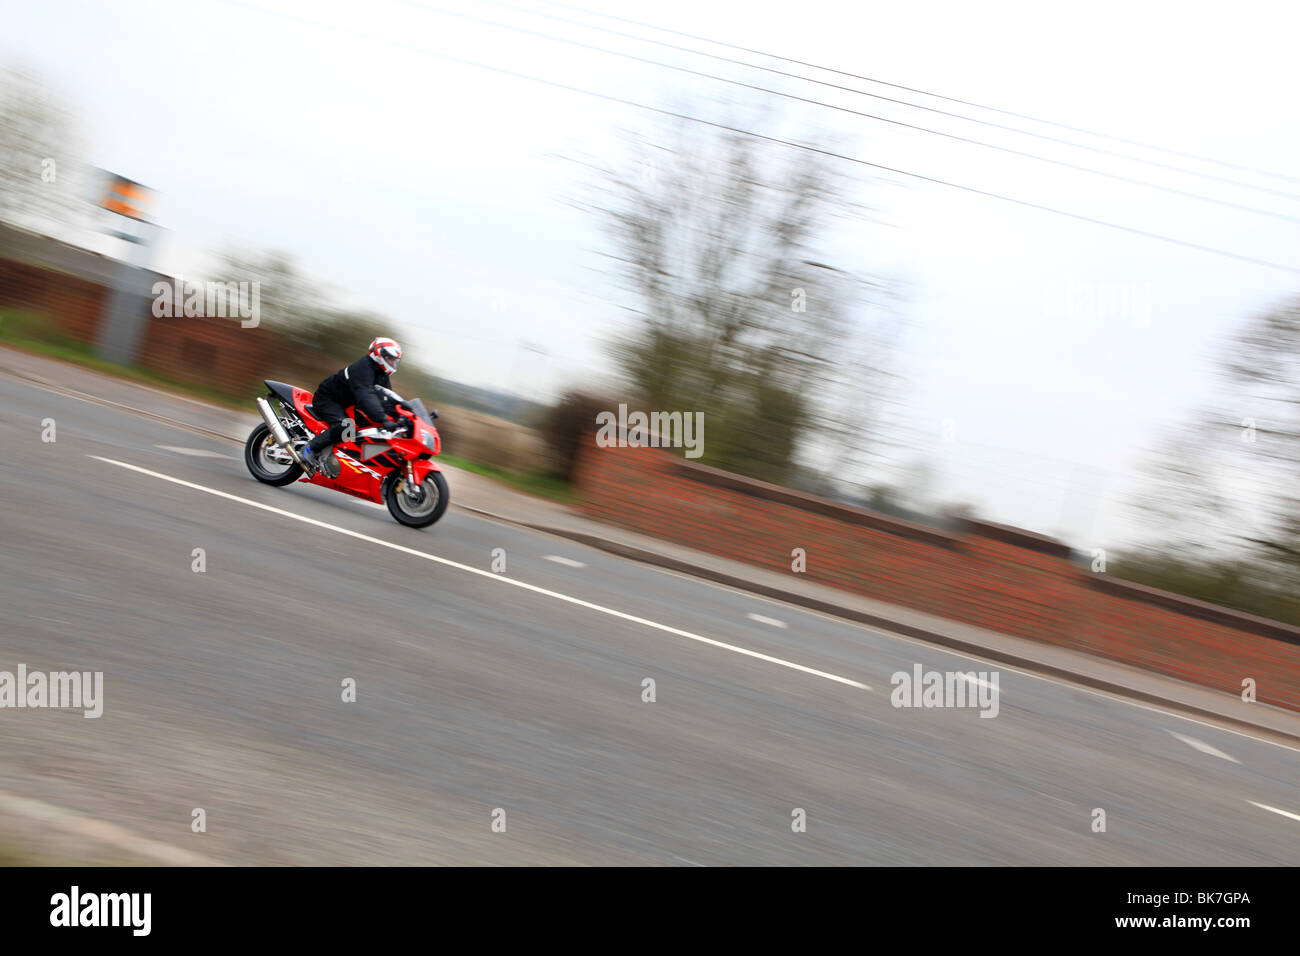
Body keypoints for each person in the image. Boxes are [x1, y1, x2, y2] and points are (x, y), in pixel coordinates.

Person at [299, 337, 402, 472]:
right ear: (379, 354)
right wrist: (383, 419)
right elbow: (366, 396)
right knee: (345, 427)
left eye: (395, 360)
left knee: (367, 430)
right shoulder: (363, 368)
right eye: (390, 358)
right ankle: (309, 448)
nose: (393, 362)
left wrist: (400, 415)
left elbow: (386, 398)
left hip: (345, 404)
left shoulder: (381, 374)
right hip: (328, 399)